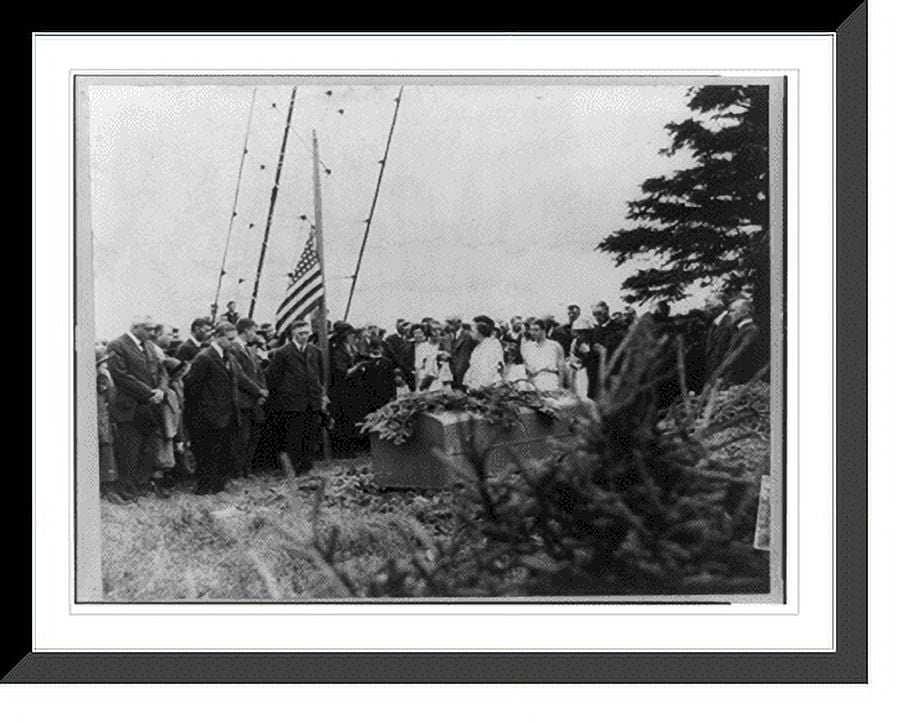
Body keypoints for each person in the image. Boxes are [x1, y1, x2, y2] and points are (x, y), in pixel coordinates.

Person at [106, 316, 166, 499]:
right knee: (129, 451)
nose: (153, 333)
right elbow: (121, 376)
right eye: (149, 329)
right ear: (135, 327)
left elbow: (162, 371)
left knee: (147, 449)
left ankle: (141, 485)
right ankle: (127, 489)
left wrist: (161, 390)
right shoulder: (117, 345)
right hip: (129, 407)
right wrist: (150, 393)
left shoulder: (149, 346)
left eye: (154, 329)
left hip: (150, 406)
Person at [182, 322, 242, 495]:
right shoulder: (204, 358)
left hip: (225, 414)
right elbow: (192, 388)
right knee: (206, 453)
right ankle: (204, 487)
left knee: (222, 451)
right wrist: (201, 413)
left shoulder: (227, 356)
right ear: (219, 337)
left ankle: (217, 485)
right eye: (230, 339)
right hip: (208, 415)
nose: (233, 342)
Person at [266, 318, 328, 475]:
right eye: (301, 333)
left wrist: (320, 395)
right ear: (293, 334)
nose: (304, 336)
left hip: (311, 401)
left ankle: (306, 466)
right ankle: (292, 468)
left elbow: (320, 375)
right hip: (292, 402)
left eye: (307, 333)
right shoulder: (283, 353)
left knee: (310, 434)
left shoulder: (315, 352)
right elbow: (273, 378)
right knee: (293, 436)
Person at [230, 318, 269, 478]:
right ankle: (237, 471)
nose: (255, 334)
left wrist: (263, 390)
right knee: (242, 438)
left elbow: (258, 372)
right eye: (254, 330)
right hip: (243, 400)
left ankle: (247, 469)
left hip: (254, 400)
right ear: (246, 330)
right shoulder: (234, 349)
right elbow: (240, 376)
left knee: (254, 436)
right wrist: (258, 391)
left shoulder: (248, 349)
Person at [521, 318, 567, 391]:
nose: (533, 333)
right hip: (533, 381)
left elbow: (561, 368)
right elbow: (526, 368)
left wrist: (560, 386)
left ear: (543, 330)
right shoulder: (527, 347)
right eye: (531, 330)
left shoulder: (555, 345)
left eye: (536, 330)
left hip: (550, 380)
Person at [463, 315, 504, 389]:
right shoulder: (478, 347)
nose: (470, 333)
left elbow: (488, 371)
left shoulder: (493, 344)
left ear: (481, 331)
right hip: (476, 389)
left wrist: (477, 387)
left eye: (472, 330)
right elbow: (472, 368)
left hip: (488, 391)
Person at [446, 315, 477, 390]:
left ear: (459, 322)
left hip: (463, 369)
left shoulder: (468, 335)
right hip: (453, 370)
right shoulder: (451, 335)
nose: (449, 325)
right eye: (448, 323)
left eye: (451, 323)